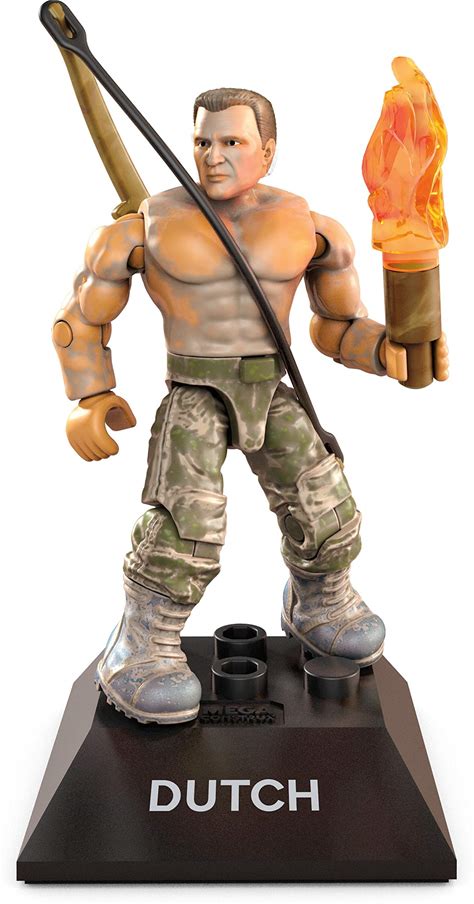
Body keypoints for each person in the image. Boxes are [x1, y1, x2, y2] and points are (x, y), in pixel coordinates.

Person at [53, 87, 448, 724]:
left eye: (232, 142)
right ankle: (141, 644)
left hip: (270, 384)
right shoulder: (150, 225)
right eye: (203, 141)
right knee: (187, 523)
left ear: (267, 150)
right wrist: (90, 396)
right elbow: (81, 319)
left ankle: (319, 601)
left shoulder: (308, 227)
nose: (214, 156)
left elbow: (336, 326)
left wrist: (385, 350)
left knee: (324, 501)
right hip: (196, 388)